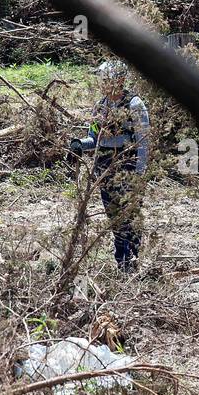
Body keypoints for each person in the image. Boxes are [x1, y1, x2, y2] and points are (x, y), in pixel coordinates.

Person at [71, 60, 150, 271]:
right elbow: (93, 138)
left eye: (108, 80)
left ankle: (132, 261)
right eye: (103, 80)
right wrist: (80, 145)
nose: (104, 84)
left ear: (120, 80)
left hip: (129, 168)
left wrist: (139, 175)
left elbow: (144, 143)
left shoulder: (134, 105)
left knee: (130, 217)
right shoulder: (100, 106)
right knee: (114, 218)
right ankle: (121, 262)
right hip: (105, 169)